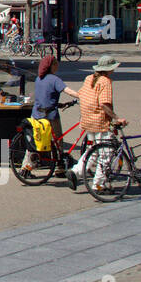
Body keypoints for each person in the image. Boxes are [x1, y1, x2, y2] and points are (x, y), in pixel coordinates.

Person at [20, 55, 80, 182]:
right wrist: (82, 95)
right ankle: (60, 167)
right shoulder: (55, 79)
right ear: (51, 66)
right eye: (56, 64)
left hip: (36, 114)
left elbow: (44, 97)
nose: (57, 66)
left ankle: (26, 167)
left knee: (35, 141)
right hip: (50, 116)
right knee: (58, 140)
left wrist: (58, 104)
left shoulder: (39, 79)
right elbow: (68, 91)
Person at [71, 55, 121, 190]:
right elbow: (104, 104)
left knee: (91, 151)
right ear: (109, 69)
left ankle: (76, 171)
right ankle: (98, 184)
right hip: (100, 123)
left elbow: (80, 94)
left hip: (88, 121)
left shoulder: (89, 78)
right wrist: (116, 118)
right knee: (106, 154)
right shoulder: (105, 81)